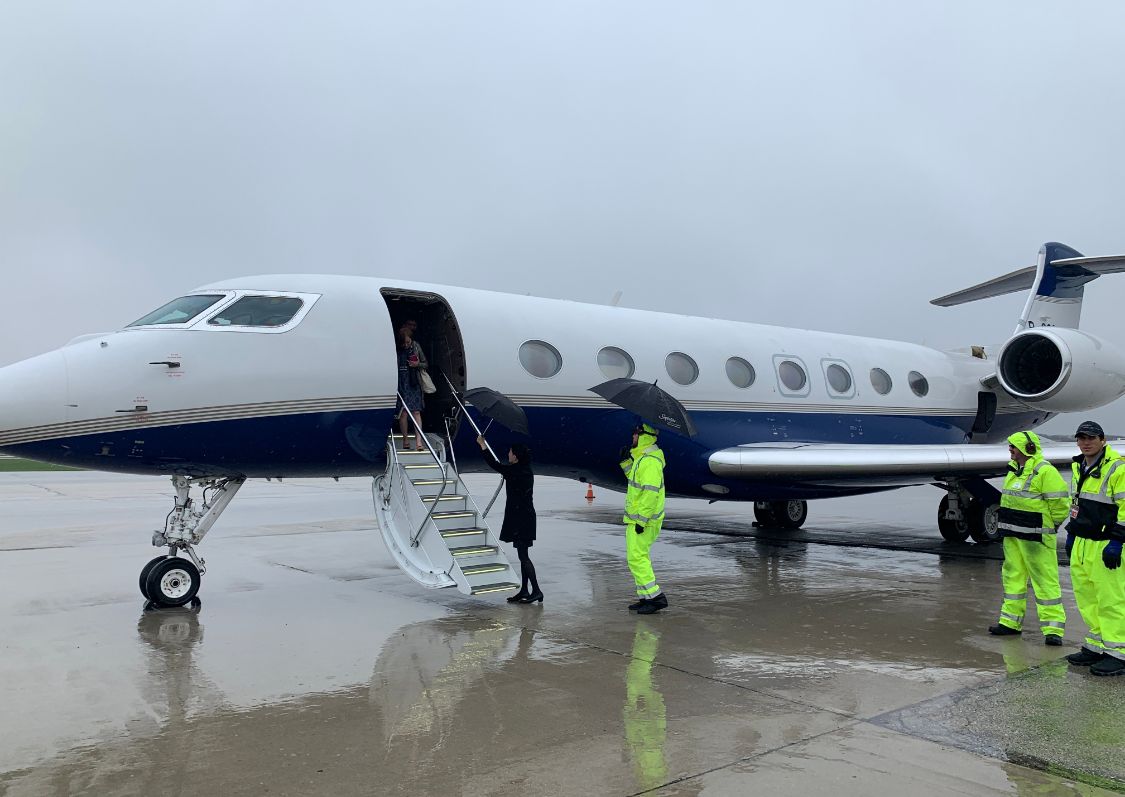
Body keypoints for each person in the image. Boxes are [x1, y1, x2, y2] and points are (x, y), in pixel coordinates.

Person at [988, 431, 1069, 645]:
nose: (1010, 450)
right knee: (1013, 578)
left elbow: (1060, 505)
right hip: (1013, 537)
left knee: (1045, 582)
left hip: (1036, 538)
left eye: (1014, 447)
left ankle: (1053, 631)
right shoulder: (1014, 471)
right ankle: (1010, 623)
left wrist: (1049, 526)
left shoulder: (1045, 471)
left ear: (1026, 448)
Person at [1063, 420, 1125, 676]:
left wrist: (1118, 541)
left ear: (1102, 440)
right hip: (1083, 541)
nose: (1086, 442)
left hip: (1104, 544)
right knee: (1087, 597)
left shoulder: (1117, 468)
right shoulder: (1080, 466)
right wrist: (1071, 532)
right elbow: (1077, 503)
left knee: (1111, 599)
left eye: (1091, 438)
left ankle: (1118, 653)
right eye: (1081, 438)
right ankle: (1097, 645)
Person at [477, 435, 541, 603]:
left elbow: (494, 464)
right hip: (526, 517)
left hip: (521, 519)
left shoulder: (515, 471)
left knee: (524, 557)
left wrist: (483, 445)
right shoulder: (525, 470)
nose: (508, 454)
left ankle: (536, 590)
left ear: (516, 456)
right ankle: (525, 591)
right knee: (523, 554)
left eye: (511, 452)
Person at [619, 423, 667, 615]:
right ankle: (645, 597)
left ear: (644, 436)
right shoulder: (642, 460)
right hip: (638, 519)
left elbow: (650, 494)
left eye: (635, 434)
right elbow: (633, 478)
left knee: (636, 558)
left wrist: (641, 520)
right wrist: (625, 462)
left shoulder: (650, 462)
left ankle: (656, 597)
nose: (632, 437)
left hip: (644, 521)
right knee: (637, 558)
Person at [395, 329, 424, 450]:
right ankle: (405, 439)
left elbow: (425, 363)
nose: (406, 345)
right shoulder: (396, 350)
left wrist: (417, 364)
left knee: (416, 412)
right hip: (400, 382)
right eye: (404, 343)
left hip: (413, 382)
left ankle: (419, 441)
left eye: (408, 342)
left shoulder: (416, 346)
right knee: (403, 413)